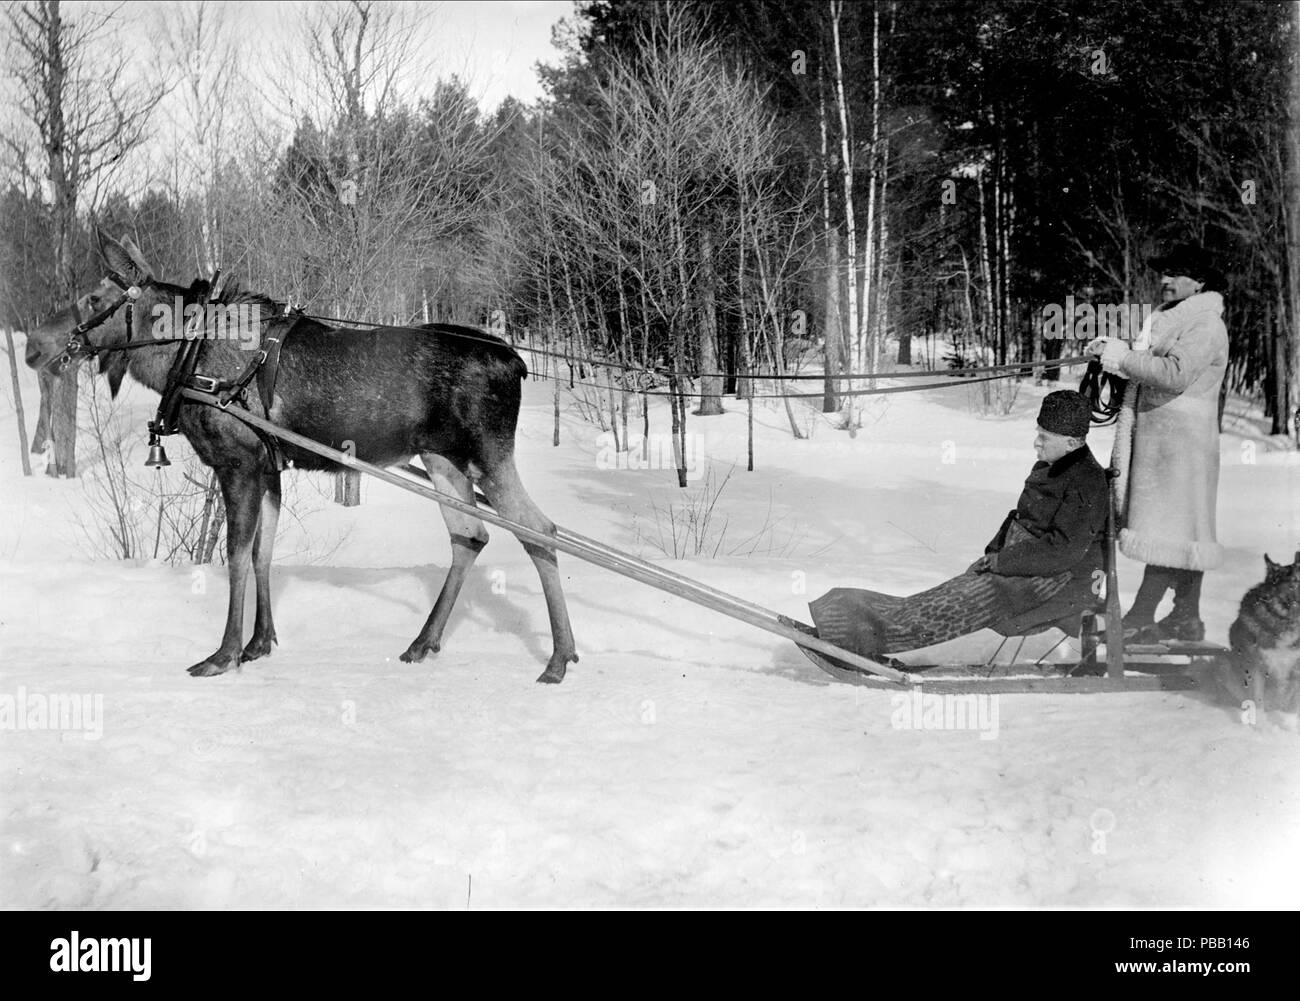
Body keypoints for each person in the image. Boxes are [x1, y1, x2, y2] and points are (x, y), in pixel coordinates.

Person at [809, 391, 1109, 660]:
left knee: (949, 608)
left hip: (1054, 581)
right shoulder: (1055, 462)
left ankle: (851, 637)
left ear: (1072, 442)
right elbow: (1021, 517)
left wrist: (1001, 561)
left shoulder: (1086, 482)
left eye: (1045, 437)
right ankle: (844, 622)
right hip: (1024, 568)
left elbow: (1063, 551)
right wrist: (994, 555)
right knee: (935, 600)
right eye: (1038, 433)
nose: (1036, 443)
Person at [1085, 244, 1228, 643]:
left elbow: (1175, 372)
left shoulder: (1206, 325)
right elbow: (1154, 364)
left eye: (1175, 273)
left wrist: (1123, 359)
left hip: (1183, 448)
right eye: (1163, 272)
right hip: (1166, 444)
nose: (1165, 280)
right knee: (1186, 531)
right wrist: (1113, 354)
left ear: (1199, 281)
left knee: (1170, 532)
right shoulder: (1173, 320)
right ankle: (1186, 617)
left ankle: (1142, 616)